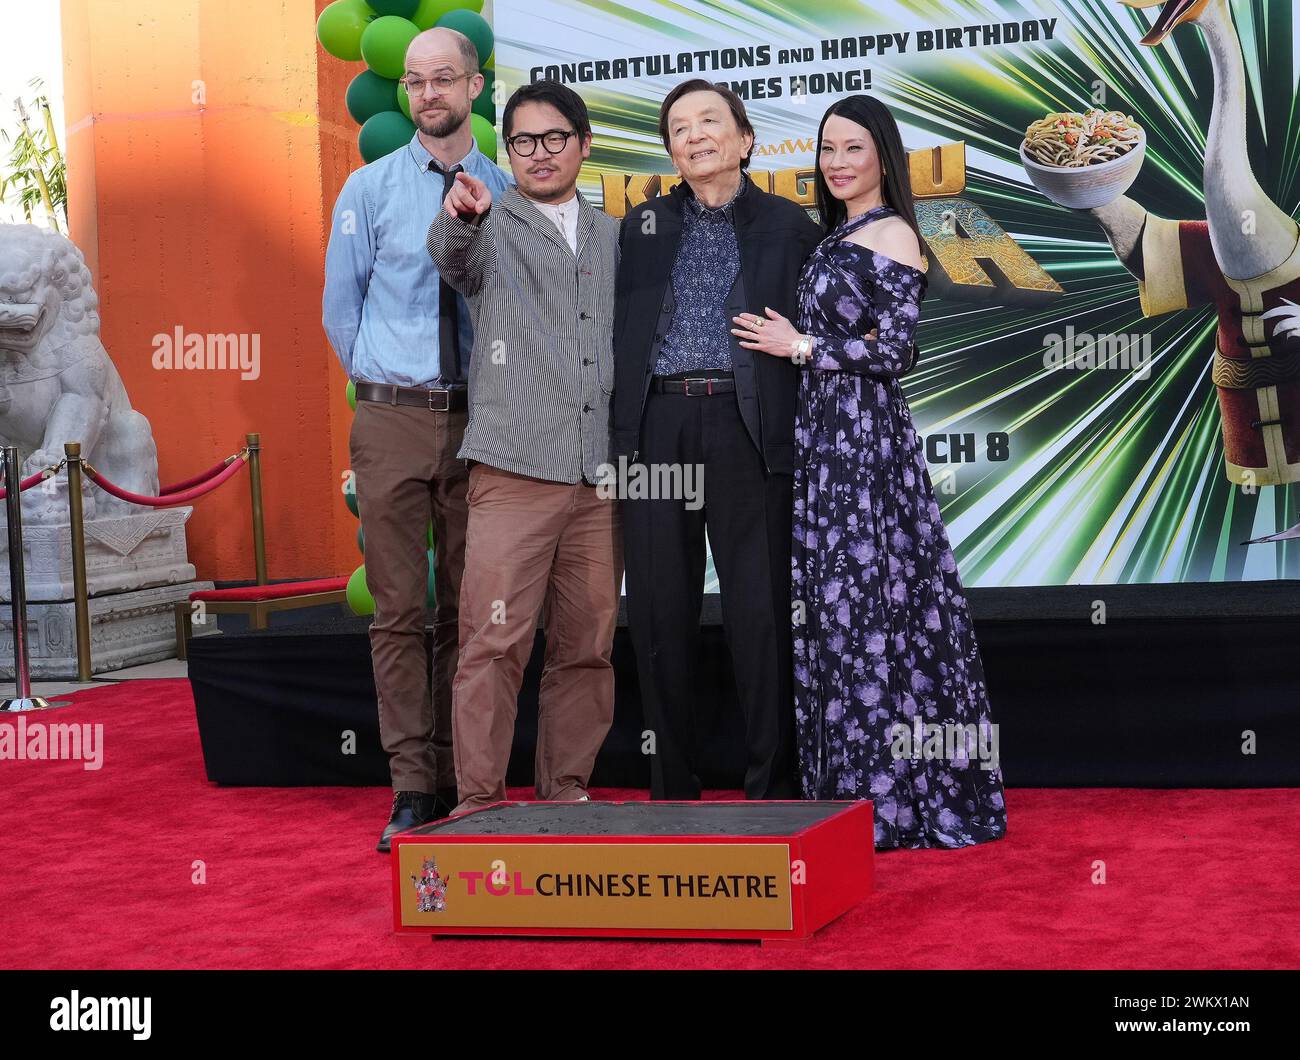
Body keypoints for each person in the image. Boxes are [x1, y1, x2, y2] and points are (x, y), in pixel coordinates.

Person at [731, 94, 1007, 848]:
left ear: (883, 153)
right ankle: (852, 795)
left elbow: (895, 354)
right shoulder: (842, 231)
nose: (838, 162)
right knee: (844, 610)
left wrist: (802, 347)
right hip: (828, 436)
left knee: (871, 609)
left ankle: (894, 800)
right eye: (827, 149)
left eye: (853, 148)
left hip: (862, 440)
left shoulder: (891, 233)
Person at [323, 28, 510, 852]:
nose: (429, 93)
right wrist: (386, 384)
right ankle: (410, 787)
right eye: (415, 82)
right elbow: (341, 310)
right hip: (391, 418)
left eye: (445, 79)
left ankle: (471, 780)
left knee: (476, 612)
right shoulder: (365, 192)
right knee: (399, 611)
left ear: (474, 87)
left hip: (486, 421)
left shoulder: (509, 188)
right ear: (405, 95)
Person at [612, 80, 822, 801]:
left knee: (759, 612)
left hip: (747, 425)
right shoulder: (638, 228)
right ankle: (672, 785)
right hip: (657, 427)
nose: (695, 134)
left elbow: (816, 339)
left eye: (710, 121)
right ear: (669, 148)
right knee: (659, 612)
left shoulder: (790, 226)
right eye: (679, 127)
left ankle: (774, 788)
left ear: (745, 138)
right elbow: (616, 340)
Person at [428, 80, 622, 815]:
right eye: (522, 142)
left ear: (583, 143)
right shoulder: (491, 220)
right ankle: (479, 799)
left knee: (587, 643)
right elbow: (451, 255)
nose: (539, 154)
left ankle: (566, 788)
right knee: (493, 641)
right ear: (507, 151)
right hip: (513, 469)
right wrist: (461, 214)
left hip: (599, 478)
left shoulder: (612, 235)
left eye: (553, 138)